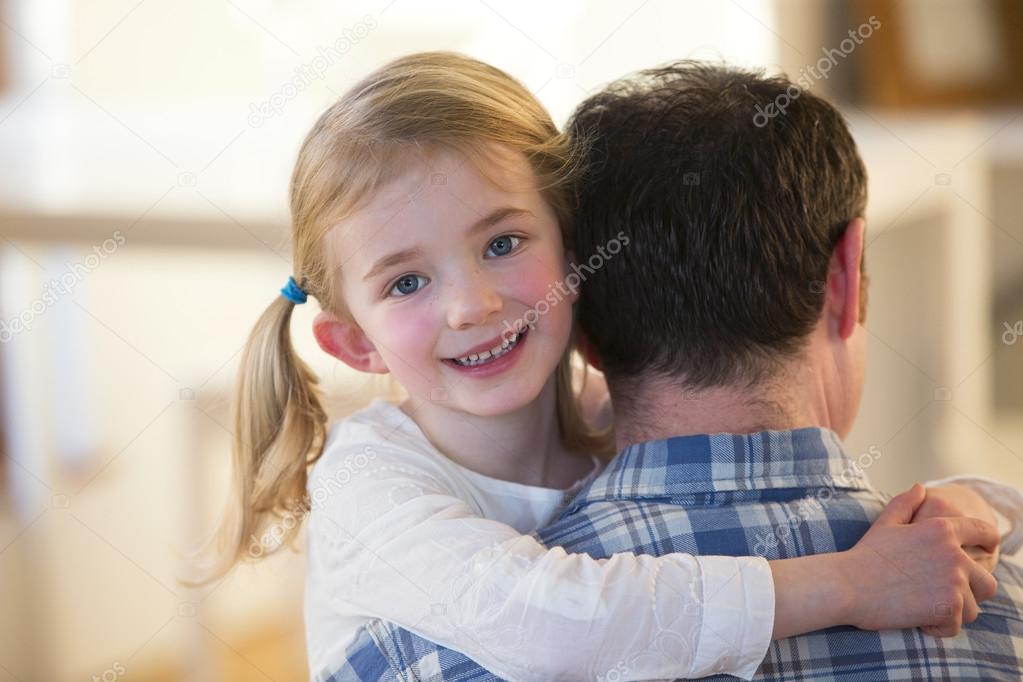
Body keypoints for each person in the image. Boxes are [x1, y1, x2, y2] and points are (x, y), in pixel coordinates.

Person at [188, 53, 1018, 682]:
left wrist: (966, 503)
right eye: (407, 281)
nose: (471, 303)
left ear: (577, 263)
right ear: (354, 345)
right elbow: (555, 625)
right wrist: (845, 584)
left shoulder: (593, 421)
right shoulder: (370, 482)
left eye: (503, 243)